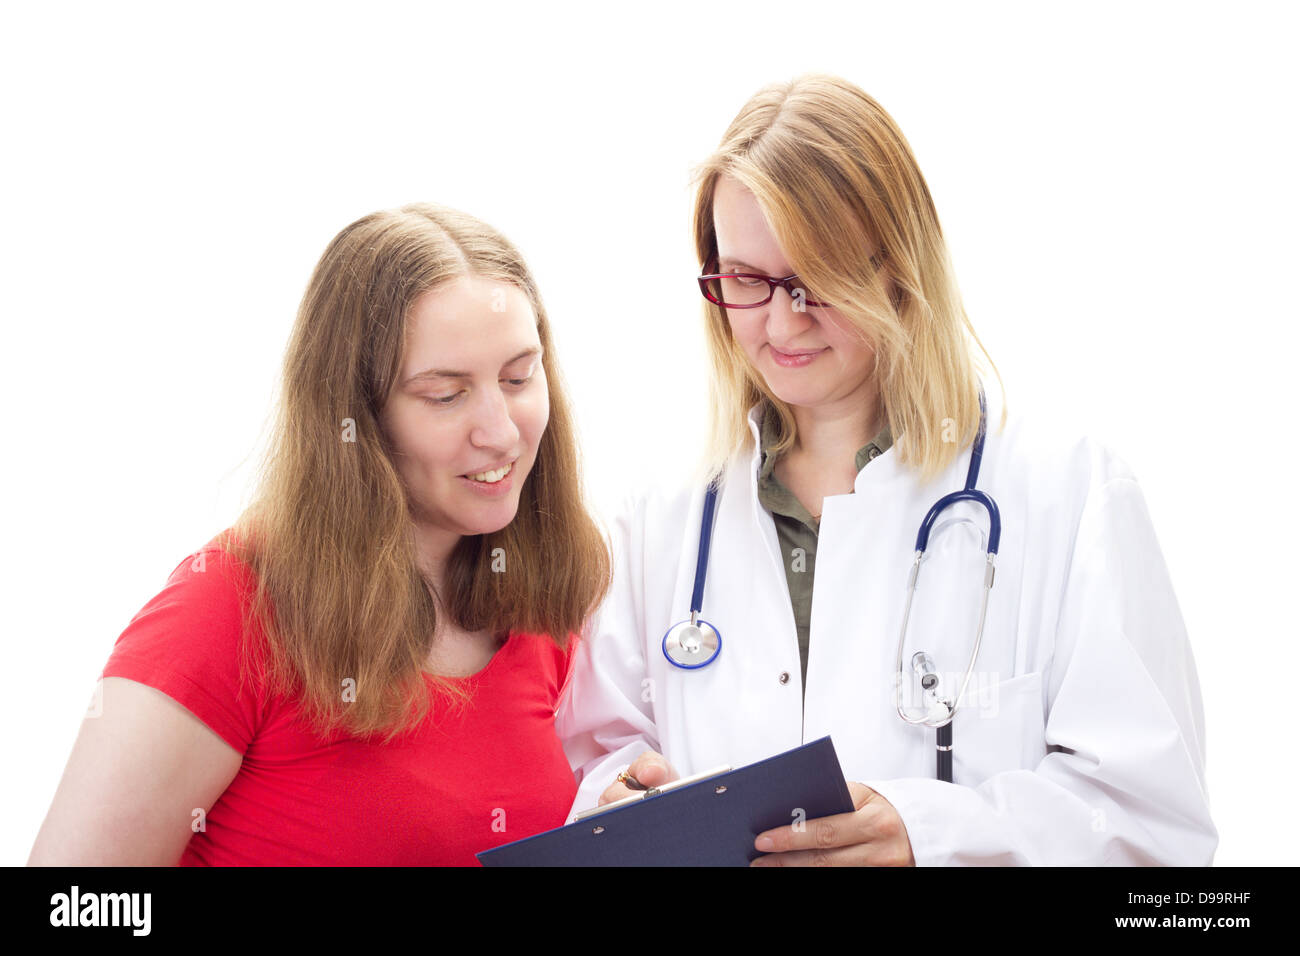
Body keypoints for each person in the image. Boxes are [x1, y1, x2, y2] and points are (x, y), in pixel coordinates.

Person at [557, 75, 1217, 866]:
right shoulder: (661, 519)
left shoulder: (1067, 491)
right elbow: (595, 763)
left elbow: (1152, 825)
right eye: (744, 279)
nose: (779, 322)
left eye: (815, 279)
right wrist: (620, 799)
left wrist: (931, 839)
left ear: (899, 266)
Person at [29, 203, 611, 865]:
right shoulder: (224, 612)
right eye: (445, 395)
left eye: (517, 377)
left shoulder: (539, 604)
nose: (501, 431)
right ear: (355, 418)